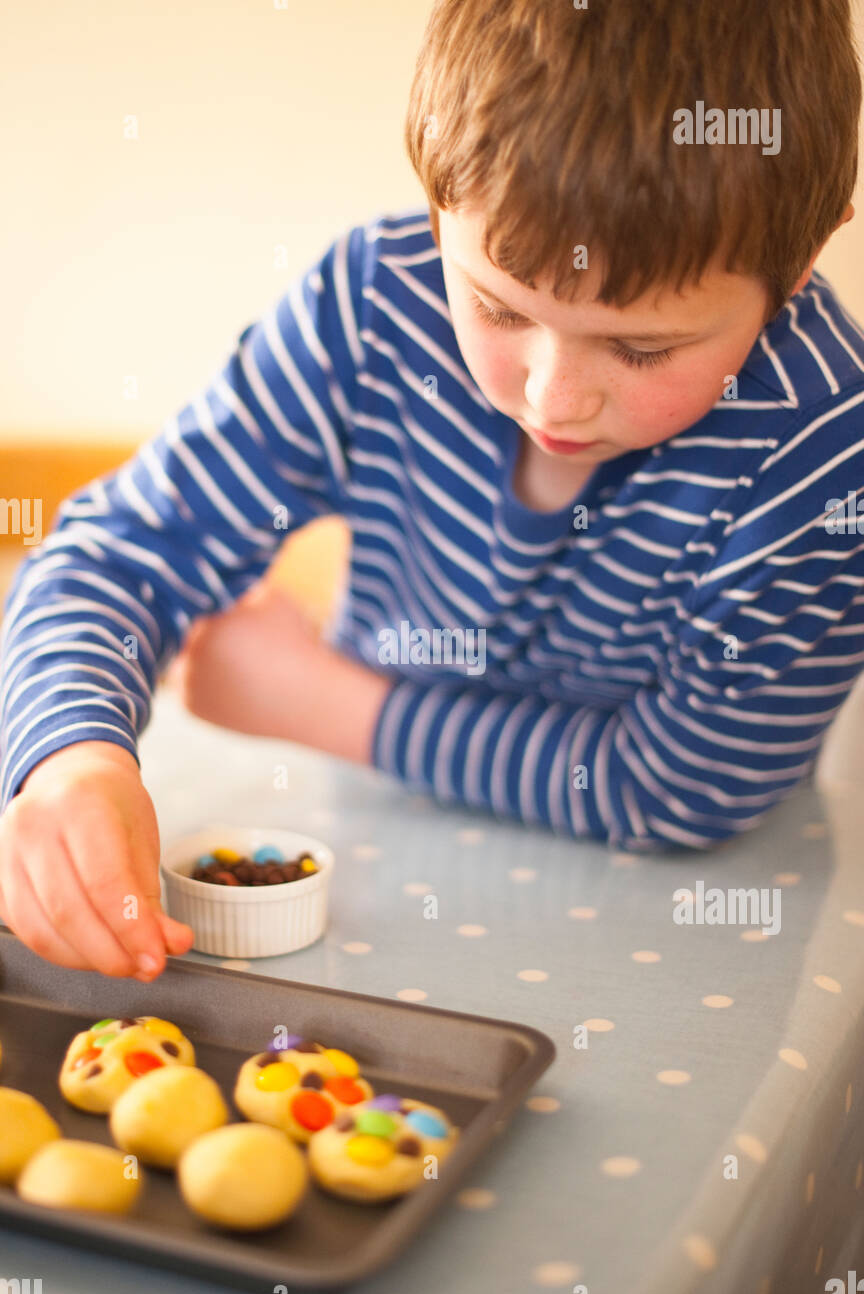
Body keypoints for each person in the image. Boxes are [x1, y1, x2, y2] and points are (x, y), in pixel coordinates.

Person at [1, 0, 863, 979]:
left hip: (688, 934)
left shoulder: (827, 445)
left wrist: (324, 705)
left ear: (799, 261)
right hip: (373, 857)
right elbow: (116, 554)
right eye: (496, 306)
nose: (554, 395)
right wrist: (72, 755)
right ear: (436, 203)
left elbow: (679, 788)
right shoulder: (372, 306)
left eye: (641, 347)